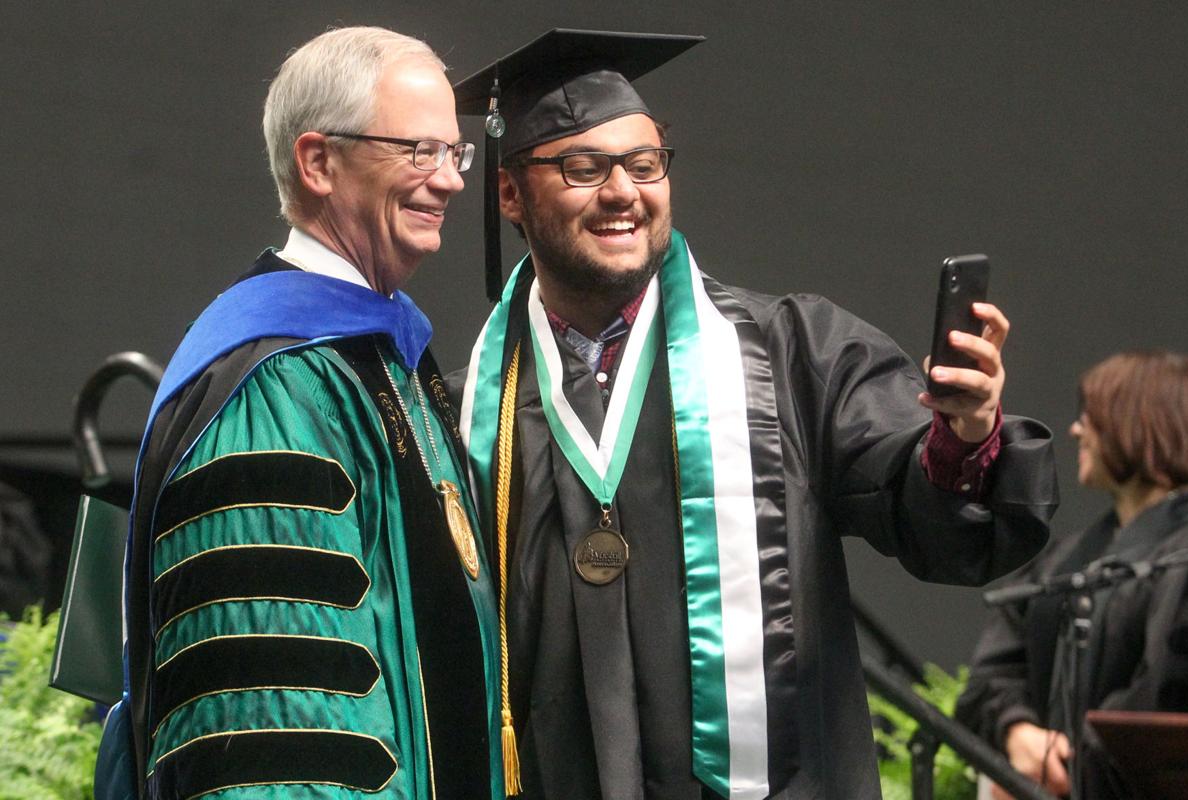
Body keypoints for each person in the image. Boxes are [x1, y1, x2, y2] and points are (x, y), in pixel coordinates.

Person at [450, 29, 1059, 800]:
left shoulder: (792, 355)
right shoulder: (468, 410)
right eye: (583, 167)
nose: (623, 192)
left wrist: (964, 435)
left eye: (644, 165)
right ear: (510, 194)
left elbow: (924, 506)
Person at [93, 27, 503, 800]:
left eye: (456, 153)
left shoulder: (388, 356)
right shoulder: (277, 387)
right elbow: (276, 721)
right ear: (318, 162)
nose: (448, 180)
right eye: (418, 150)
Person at [957, 350, 1188, 799]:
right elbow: (991, 676)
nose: (1074, 430)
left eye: (1091, 416)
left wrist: (1070, 761)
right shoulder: (1069, 559)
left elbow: (1163, 699)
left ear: (1139, 423)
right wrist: (1018, 732)